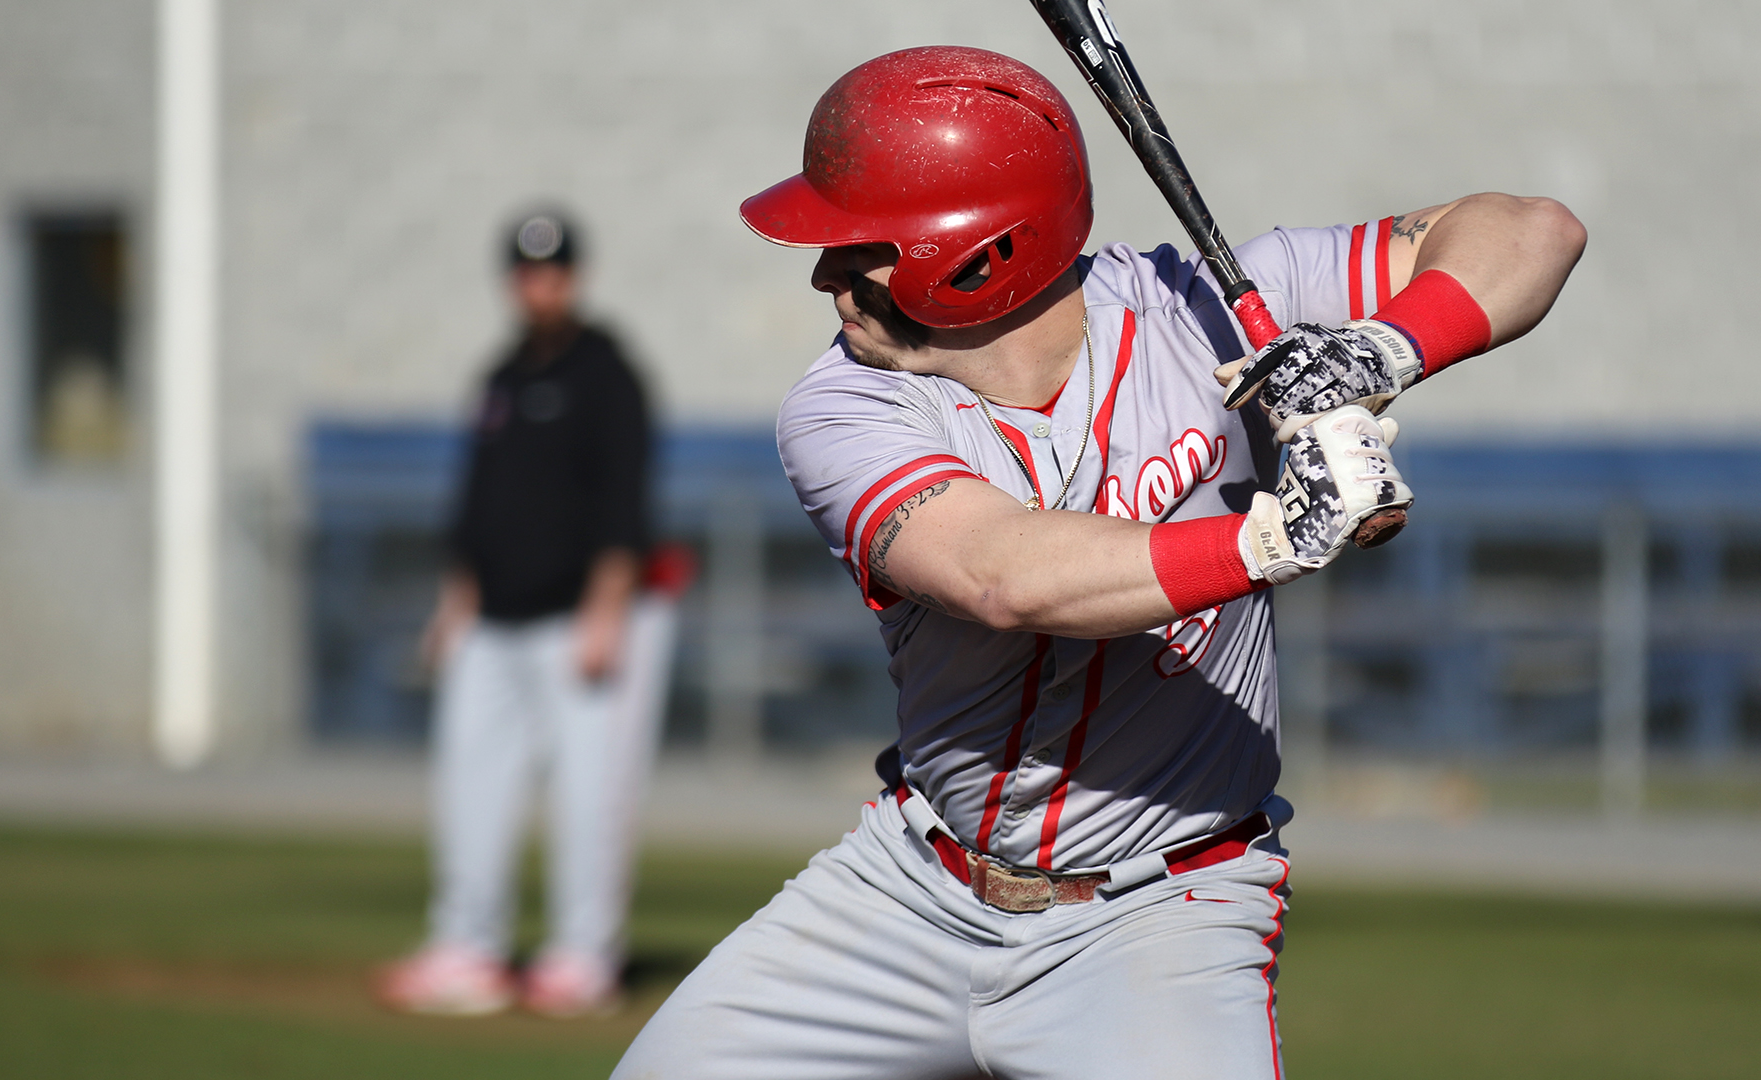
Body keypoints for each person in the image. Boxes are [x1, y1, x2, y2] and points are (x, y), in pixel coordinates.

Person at [611, 46, 1583, 1078]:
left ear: (978, 253)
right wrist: (1275, 536)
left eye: (861, 248)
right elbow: (1003, 575)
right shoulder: (845, 404)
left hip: (1164, 915)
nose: (825, 275)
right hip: (911, 891)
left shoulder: (1202, 306)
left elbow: (1533, 232)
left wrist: (1377, 351)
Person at [378, 212, 686, 1018]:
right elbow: (478, 503)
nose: (537, 285)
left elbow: (626, 502)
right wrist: (454, 604)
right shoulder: (504, 374)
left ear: (573, 277)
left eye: (551, 271)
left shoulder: (607, 372)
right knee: (470, 784)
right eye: (524, 271)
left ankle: (583, 958)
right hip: (493, 615)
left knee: (591, 793)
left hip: (584, 617)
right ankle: (468, 949)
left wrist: (606, 609)